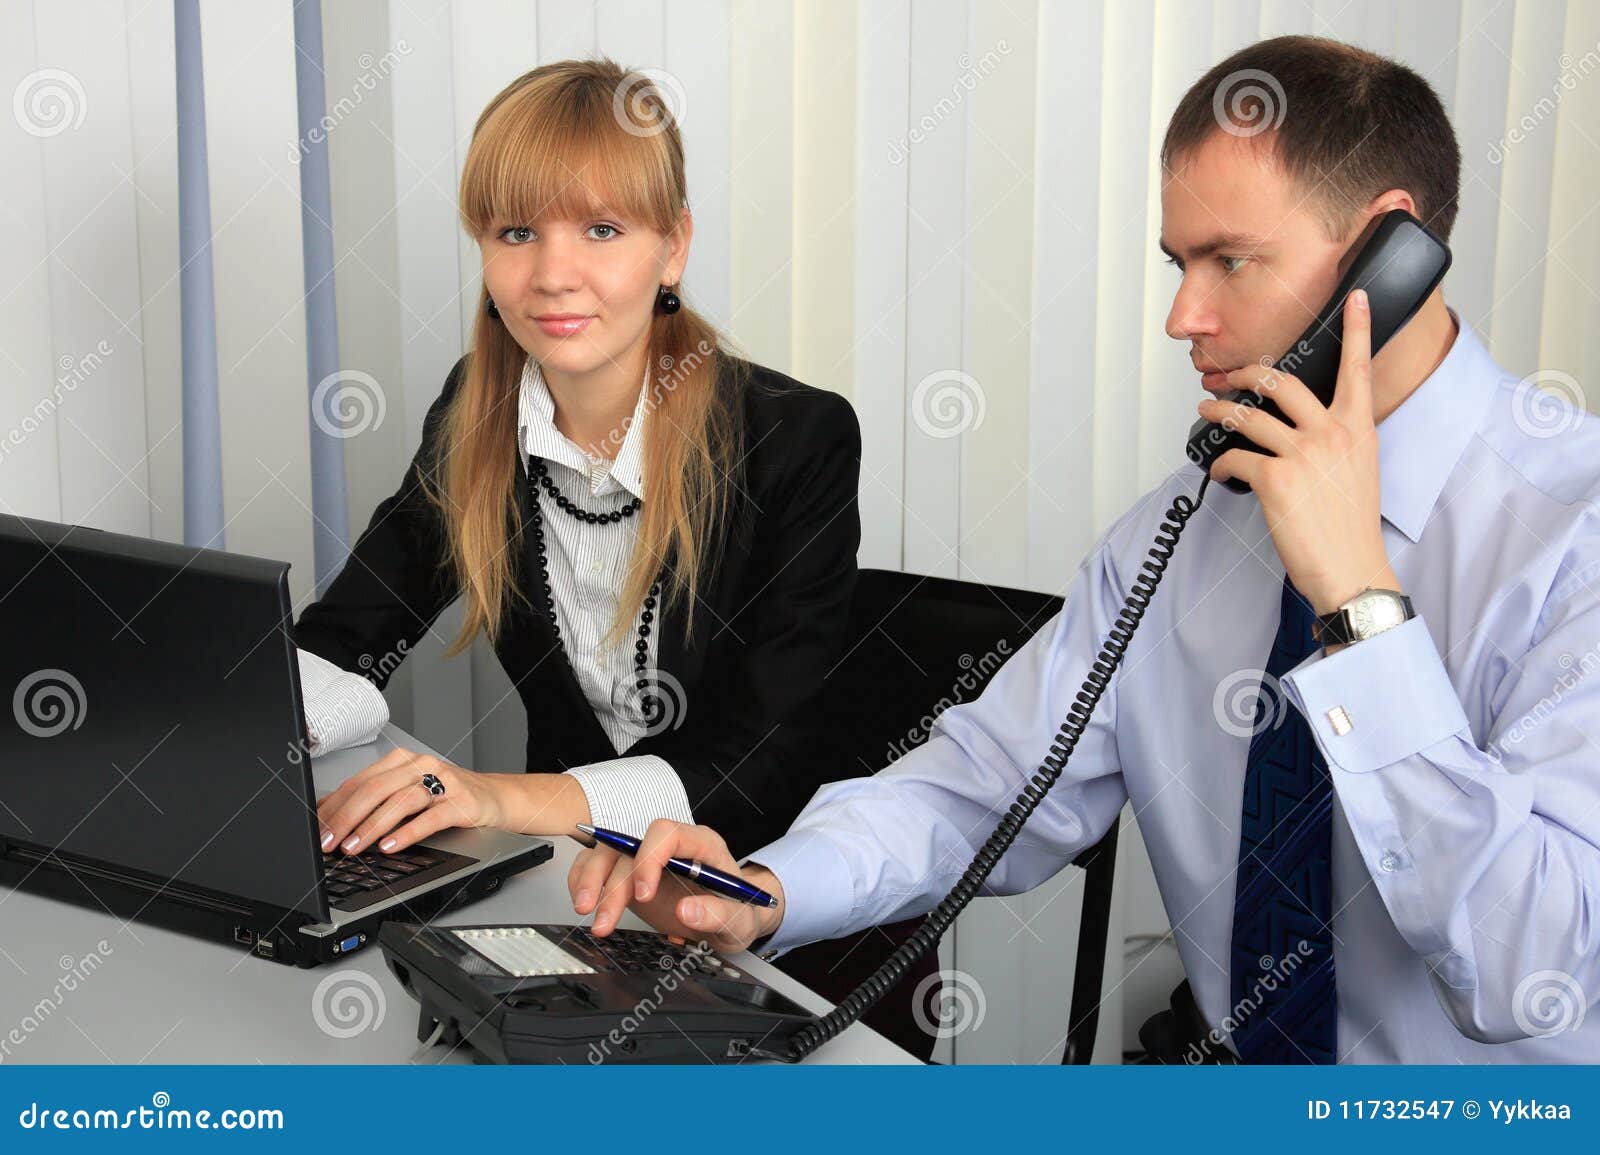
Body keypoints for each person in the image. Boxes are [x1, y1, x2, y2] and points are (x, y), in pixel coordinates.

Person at [570, 36, 1600, 1063]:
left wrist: (1359, 604)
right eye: (1177, 263)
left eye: (1230, 260)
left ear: (1391, 253)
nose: (1181, 318)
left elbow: (1527, 971)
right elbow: (979, 785)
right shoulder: (1178, 532)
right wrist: (765, 892)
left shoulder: (1573, 531)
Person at [294, 58, 861, 878]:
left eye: (602, 230)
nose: (553, 277)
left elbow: (762, 767)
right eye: (517, 233)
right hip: (565, 880)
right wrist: (254, 721)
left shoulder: (794, 439)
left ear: (674, 247)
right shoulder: (477, 414)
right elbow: (346, 636)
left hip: (750, 887)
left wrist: (495, 798)